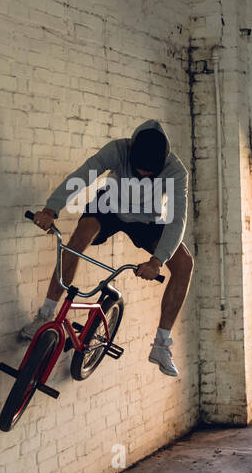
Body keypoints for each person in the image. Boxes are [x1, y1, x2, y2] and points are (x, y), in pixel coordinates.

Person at [22, 119, 192, 377]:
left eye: (151, 172)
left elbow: (178, 218)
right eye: (140, 169)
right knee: (79, 238)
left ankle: (161, 345)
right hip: (109, 207)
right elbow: (82, 176)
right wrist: (51, 209)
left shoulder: (175, 170)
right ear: (132, 153)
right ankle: (45, 315)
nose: (145, 175)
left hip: (148, 218)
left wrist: (157, 261)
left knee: (184, 265)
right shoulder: (118, 150)